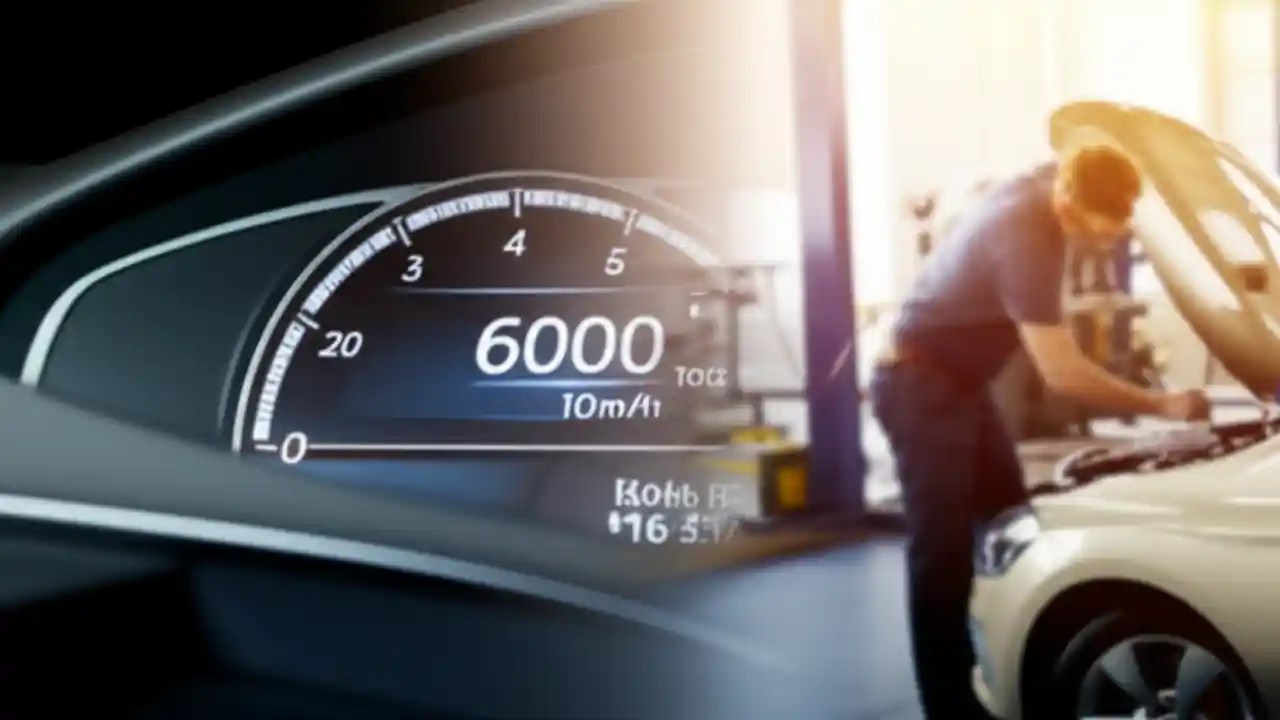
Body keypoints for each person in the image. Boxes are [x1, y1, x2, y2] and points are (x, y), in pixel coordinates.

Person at [868, 144, 1211, 718]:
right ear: (1065, 199)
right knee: (942, 555)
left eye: (1111, 239)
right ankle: (949, 707)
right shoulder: (1026, 233)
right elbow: (1062, 374)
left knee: (1011, 520)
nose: (1095, 246)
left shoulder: (1058, 181)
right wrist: (1164, 403)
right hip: (916, 386)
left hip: (962, 385)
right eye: (1090, 232)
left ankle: (1018, 663)